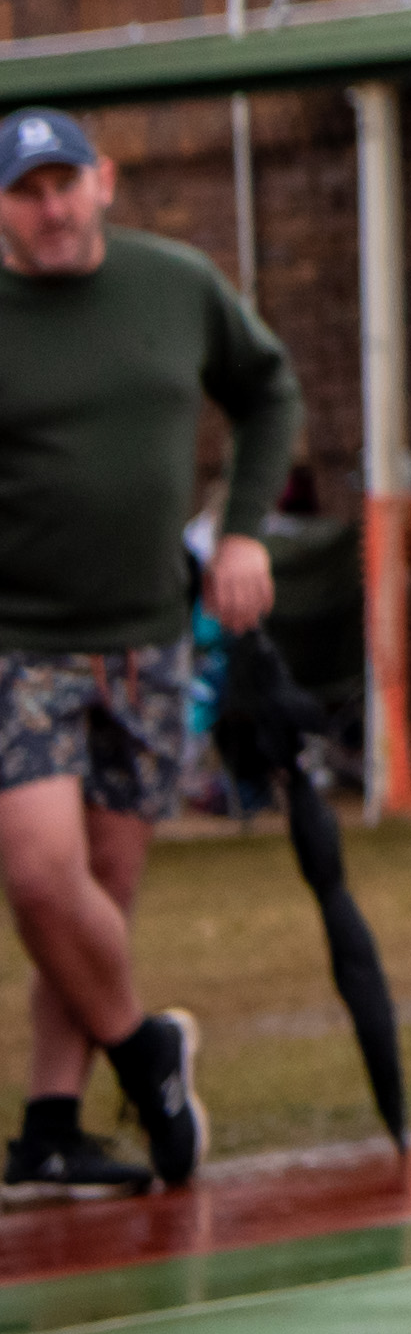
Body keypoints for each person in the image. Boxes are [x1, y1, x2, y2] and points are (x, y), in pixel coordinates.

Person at [0, 111, 293, 1196]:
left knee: (104, 887)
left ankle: (51, 1122)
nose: (54, 207)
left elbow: (269, 390)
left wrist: (248, 526)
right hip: (19, 639)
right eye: (28, 191)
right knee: (39, 872)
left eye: (67, 183)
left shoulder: (177, 285)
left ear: (106, 181)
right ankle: (145, 1050)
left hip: (147, 633)